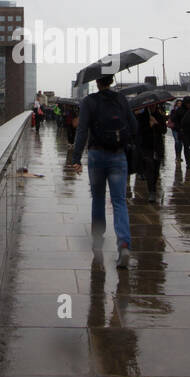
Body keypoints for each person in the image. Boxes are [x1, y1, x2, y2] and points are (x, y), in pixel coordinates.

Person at [69, 72, 140, 268]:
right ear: (112, 81)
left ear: (96, 81)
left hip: (96, 155)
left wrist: (76, 159)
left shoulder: (88, 101)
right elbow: (134, 127)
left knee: (98, 198)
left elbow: (82, 131)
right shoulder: (121, 99)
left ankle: (98, 239)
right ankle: (124, 245)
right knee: (119, 202)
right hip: (118, 155)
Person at [134, 101, 166, 203]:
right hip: (146, 146)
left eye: (154, 105)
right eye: (151, 105)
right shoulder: (141, 116)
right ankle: (152, 191)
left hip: (158, 146)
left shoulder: (159, 115)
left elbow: (164, 130)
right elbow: (139, 131)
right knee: (149, 167)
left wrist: (156, 124)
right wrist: (149, 125)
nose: (153, 107)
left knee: (156, 170)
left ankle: (153, 186)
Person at [172, 96, 190, 168]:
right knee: (186, 146)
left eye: (189, 103)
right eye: (187, 103)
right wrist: (179, 128)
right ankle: (188, 162)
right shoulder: (180, 110)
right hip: (184, 132)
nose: (188, 105)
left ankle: (188, 157)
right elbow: (175, 120)